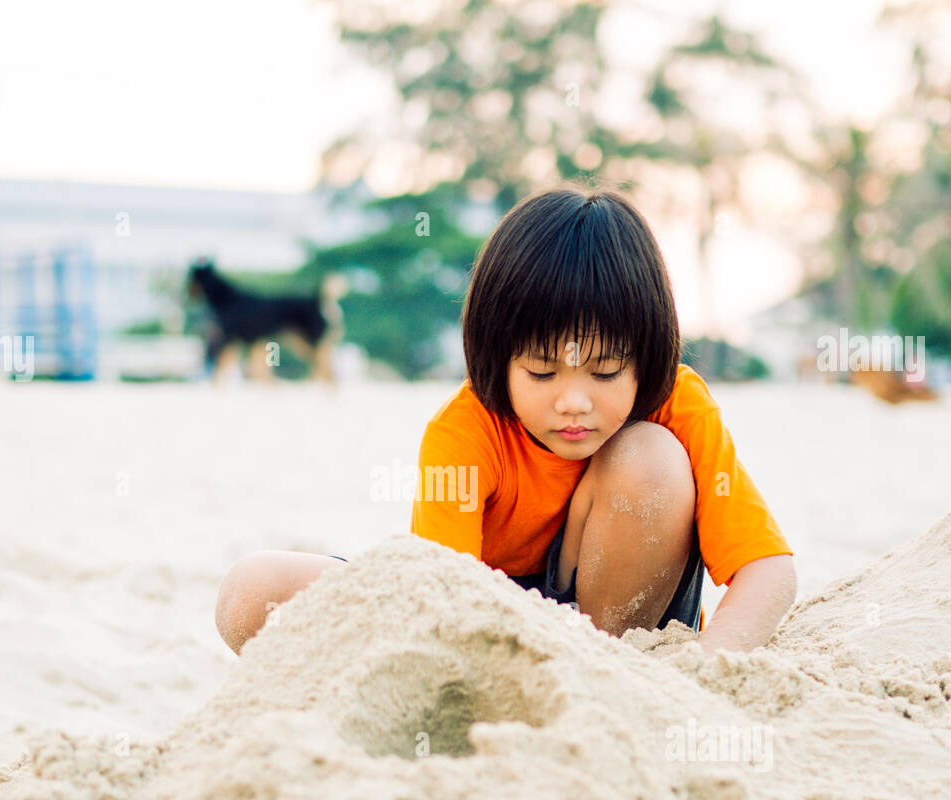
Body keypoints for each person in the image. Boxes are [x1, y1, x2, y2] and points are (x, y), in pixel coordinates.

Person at [216, 182, 795, 656]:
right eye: (542, 373)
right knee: (252, 590)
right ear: (497, 355)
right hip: (481, 617)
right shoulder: (464, 430)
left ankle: (607, 670)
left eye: (605, 372)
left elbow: (768, 572)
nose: (574, 401)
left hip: (616, 630)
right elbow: (441, 596)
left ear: (646, 357)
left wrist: (710, 667)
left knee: (651, 459)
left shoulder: (677, 401)